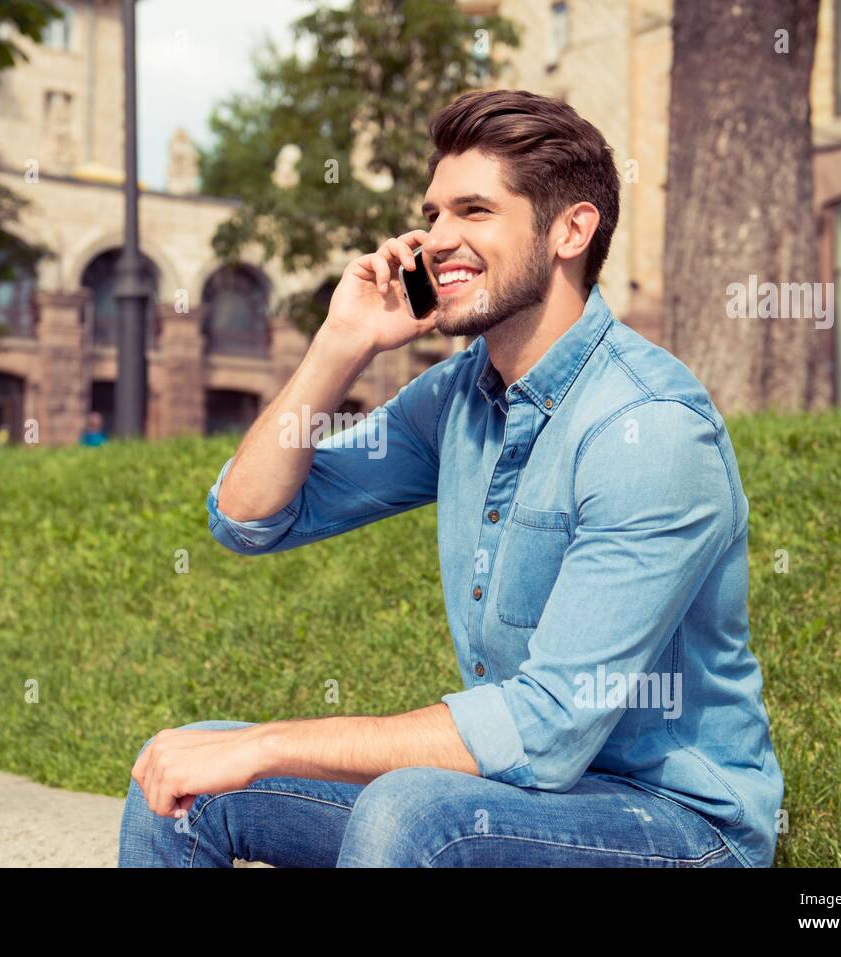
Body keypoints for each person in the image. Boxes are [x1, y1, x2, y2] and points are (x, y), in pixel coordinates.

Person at [119, 89, 784, 868]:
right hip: (522, 796)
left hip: (677, 824)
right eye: (433, 215)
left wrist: (267, 746)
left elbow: (545, 726)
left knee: (410, 811)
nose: (438, 240)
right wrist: (342, 342)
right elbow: (250, 515)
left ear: (572, 229)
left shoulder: (650, 429)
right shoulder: (459, 397)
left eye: (474, 211)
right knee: (183, 778)